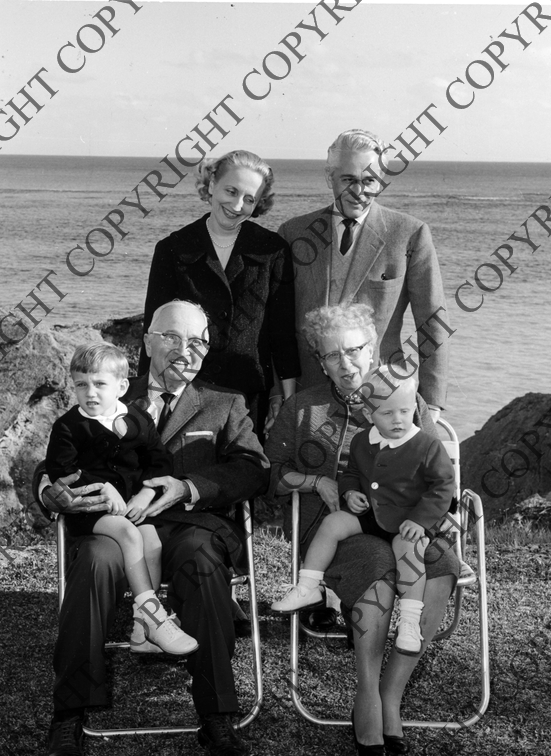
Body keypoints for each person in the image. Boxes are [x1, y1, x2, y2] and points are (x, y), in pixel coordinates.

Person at [41, 299, 269, 756]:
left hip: (191, 524)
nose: (186, 350)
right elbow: (55, 459)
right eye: (172, 337)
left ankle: (217, 714)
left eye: (198, 341)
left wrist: (188, 487)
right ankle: (69, 714)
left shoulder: (225, 403)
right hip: (116, 524)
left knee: (202, 561)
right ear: (147, 341)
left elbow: (253, 469)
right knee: (95, 561)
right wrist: (49, 490)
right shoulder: (106, 386)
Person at [265, 303, 460, 756]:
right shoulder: (304, 407)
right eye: (332, 355)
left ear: (372, 349)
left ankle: (392, 694)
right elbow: (269, 472)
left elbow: (437, 471)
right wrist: (317, 481)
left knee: (443, 565)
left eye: (354, 350)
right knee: (376, 564)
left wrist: (424, 518)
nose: (346, 363)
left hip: (406, 522)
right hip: (334, 530)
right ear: (320, 361)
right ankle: (367, 695)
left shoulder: (403, 398)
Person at [271, 366, 455, 657]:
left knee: (408, 551)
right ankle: (308, 586)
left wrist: (421, 521)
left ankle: (409, 622)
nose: (398, 420)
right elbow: (352, 473)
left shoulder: (427, 445)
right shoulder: (362, 441)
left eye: (405, 411)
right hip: (373, 514)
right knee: (334, 523)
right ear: (369, 414)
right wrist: (350, 492)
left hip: (409, 519)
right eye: (387, 413)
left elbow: (443, 486)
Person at [278, 129, 452, 420]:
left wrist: (432, 403)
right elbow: (277, 325)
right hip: (306, 398)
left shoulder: (409, 234)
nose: (359, 192)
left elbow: (432, 321)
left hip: (383, 398)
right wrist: (278, 394)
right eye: (348, 180)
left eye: (369, 180)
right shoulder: (293, 233)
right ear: (330, 177)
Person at [45, 342, 198, 657]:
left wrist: (145, 493)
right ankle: (155, 617)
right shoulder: (68, 427)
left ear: (122, 387)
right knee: (130, 534)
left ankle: (142, 631)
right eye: (81, 385)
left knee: (151, 541)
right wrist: (103, 488)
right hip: (90, 510)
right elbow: (62, 471)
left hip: (129, 506)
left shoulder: (137, 419)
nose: (90, 393)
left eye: (100, 384)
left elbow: (159, 460)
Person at [139, 149, 300, 438]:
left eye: (249, 199)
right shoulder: (173, 248)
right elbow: (153, 330)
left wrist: (288, 400)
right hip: (183, 392)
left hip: (249, 396)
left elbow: (282, 333)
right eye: (231, 191)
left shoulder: (273, 250)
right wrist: (144, 400)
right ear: (212, 185)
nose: (237, 205)